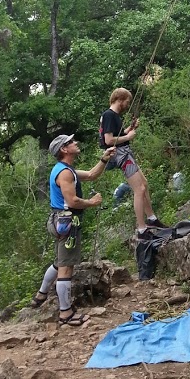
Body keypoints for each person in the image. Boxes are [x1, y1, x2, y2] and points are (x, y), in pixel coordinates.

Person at [29, 134, 114, 326]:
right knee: (66, 267)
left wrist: (104, 158)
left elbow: (92, 175)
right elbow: (72, 201)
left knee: (60, 263)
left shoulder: (67, 169)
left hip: (59, 221)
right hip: (67, 223)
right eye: (70, 142)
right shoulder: (65, 173)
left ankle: (41, 295)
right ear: (64, 150)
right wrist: (92, 202)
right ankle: (65, 313)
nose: (75, 143)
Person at [99, 87, 163, 240]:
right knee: (139, 189)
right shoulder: (108, 115)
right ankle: (142, 229)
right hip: (122, 156)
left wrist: (130, 129)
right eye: (127, 102)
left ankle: (152, 219)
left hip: (125, 153)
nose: (127, 105)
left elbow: (117, 135)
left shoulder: (114, 116)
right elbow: (108, 140)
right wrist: (129, 137)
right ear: (120, 100)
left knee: (144, 184)